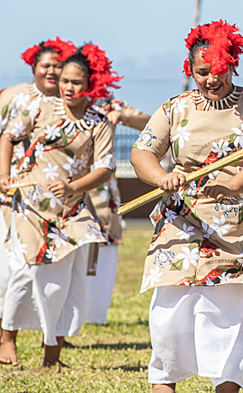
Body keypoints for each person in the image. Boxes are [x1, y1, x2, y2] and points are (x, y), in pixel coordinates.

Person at [130, 21, 243, 393]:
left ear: (232, 65)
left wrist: (234, 184)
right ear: (190, 70)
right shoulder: (175, 108)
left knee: (232, 312)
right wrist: (160, 178)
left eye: (218, 71)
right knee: (172, 309)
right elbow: (142, 152)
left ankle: (228, 385)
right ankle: (164, 382)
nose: (211, 79)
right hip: (184, 221)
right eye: (202, 72)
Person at [1, 43, 120, 367]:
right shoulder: (39, 108)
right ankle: (7, 337)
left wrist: (73, 187)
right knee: (29, 271)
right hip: (31, 203)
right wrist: (4, 175)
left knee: (67, 280)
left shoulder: (100, 122)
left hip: (70, 207)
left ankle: (52, 356)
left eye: (76, 82)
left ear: (90, 85)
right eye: (65, 80)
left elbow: (105, 168)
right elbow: (8, 136)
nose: (68, 87)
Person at [0, 37, 74, 366]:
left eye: (59, 66)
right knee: (18, 268)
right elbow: (6, 137)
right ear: (34, 67)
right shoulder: (17, 97)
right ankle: (8, 339)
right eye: (47, 65)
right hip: (17, 194)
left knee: (55, 273)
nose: (53, 71)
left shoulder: (70, 101)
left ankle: (53, 342)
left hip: (57, 199)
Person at [85, 97, 150, 325]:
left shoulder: (108, 103)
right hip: (66, 186)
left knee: (105, 247)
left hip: (103, 191)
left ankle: (93, 314)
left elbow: (150, 124)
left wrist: (123, 117)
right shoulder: (54, 101)